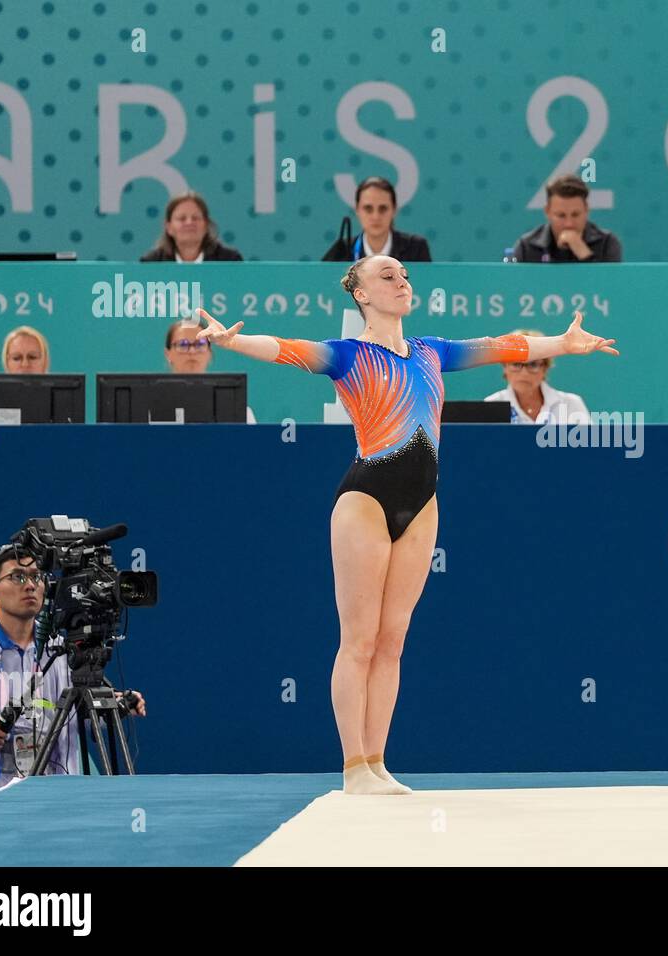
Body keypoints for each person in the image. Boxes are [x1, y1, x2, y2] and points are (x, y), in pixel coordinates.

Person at [193, 255, 617, 795]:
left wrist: (562, 343)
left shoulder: (431, 351)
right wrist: (231, 343)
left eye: (405, 276)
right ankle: (352, 768)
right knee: (359, 641)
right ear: (361, 294)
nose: (401, 281)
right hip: (366, 498)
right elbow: (287, 349)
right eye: (387, 276)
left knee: (393, 640)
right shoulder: (347, 356)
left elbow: (503, 346)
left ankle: (376, 762)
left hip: (422, 504)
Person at [0, 546, 147, 814]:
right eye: (17, 577)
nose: (30, 585)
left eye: (37, 577)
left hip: (51, 795)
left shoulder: (63, 650)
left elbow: (75, 710)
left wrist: (116, 702)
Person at [484, 328, 591, 423]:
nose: (524, 372)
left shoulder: (571, 404)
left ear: (545, 368)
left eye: (533, 364)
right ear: (505, 367)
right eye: (516, 364)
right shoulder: (490, 406)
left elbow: (589, 444)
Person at [163, 318, 257, 423]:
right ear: (168, 354)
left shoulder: (235, 411)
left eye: (199, 344)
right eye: (183, 344)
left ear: (210, 353)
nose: (192, 351)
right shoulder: (152, 406)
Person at [513, 175, 622, 262]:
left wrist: (583, 252)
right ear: (547, 212)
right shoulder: (526, 247)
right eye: (561, 215)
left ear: (586, 210)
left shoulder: (607, 243)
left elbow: (611, 286)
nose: (569, 224)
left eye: (575, 215)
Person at [325, 176, 431, 262]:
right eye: (368, 208)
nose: (375, 216)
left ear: (394, 210)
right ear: (357, 210)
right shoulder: (342, 250)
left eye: (383, 208)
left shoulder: (415, 248)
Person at [140, 192, 243, 263]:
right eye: (182, 218)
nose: (189, 223)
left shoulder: (229, 261)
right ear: (169, 227)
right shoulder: (152, 263)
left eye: (195, 218)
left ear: (206, 225)